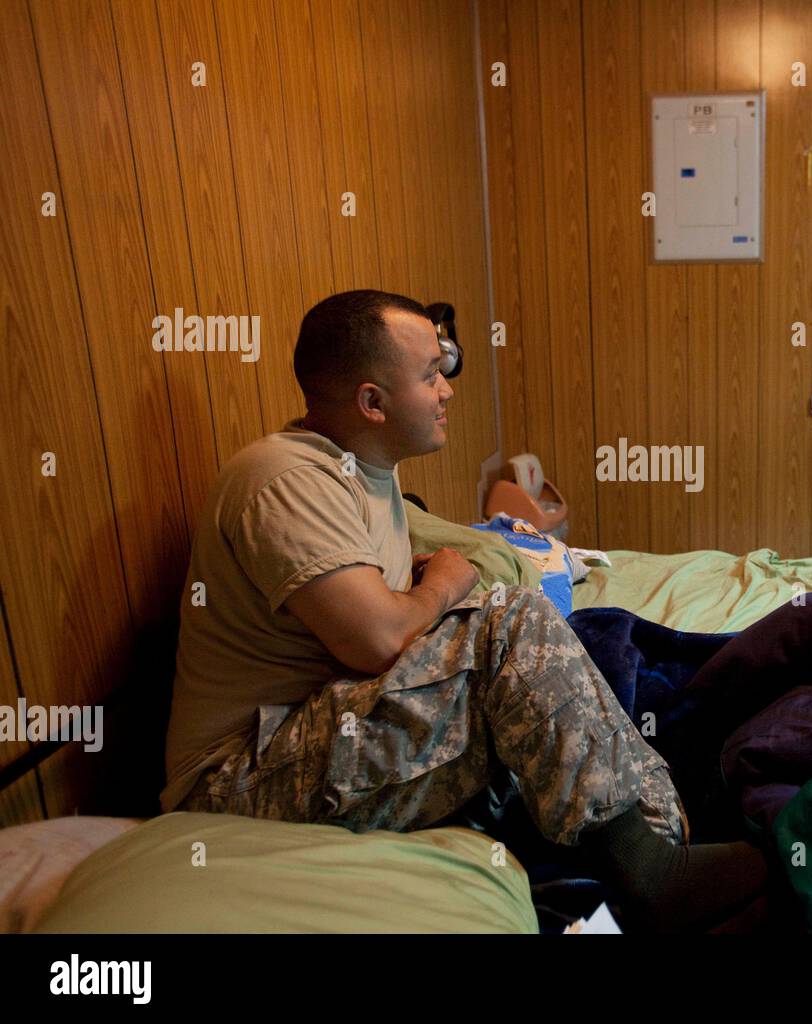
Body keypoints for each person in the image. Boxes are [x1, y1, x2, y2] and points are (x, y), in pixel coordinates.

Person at [160, 289, 767, 932]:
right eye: (429, 376)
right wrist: (447, 581)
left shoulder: (368, 468)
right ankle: (648, 873)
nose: (447, 390)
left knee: (528, 663)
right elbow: (378, 640)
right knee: (510, 623)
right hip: (240, 782)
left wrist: (435, 584)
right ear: (372, 402)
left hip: (322, 731)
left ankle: (658, 842)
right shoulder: (286, 479)